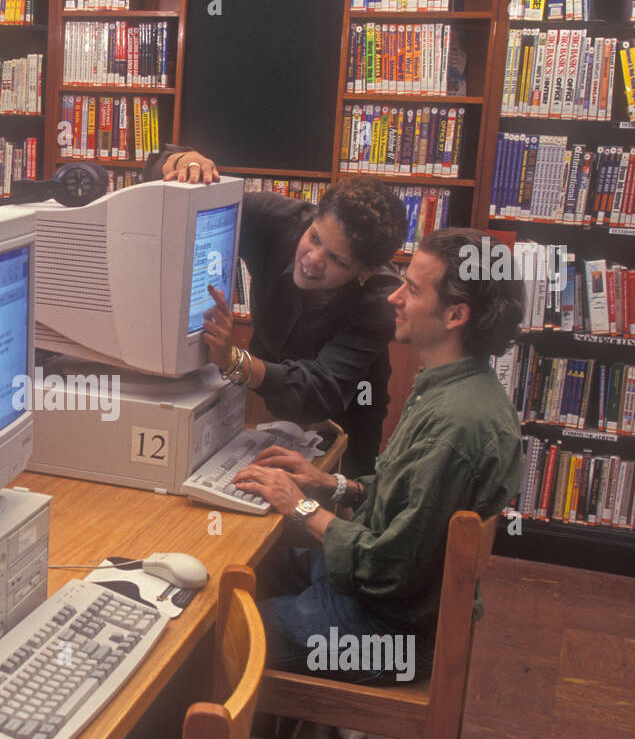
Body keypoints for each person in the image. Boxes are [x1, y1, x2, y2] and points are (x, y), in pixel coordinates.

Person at [233, 226, 525, 684]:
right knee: (237, 573)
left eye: (412, 289)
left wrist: (300, 504)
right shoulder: (454, 387)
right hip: (389, 601)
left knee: (222, 628)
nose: (394, 299)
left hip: (392, 630)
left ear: (455, 315)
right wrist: (335, 484)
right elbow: (410, 508)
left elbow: (386, 568)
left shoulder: (457, 426)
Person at [145, 148, 408, 475]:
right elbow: (166, 185)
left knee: (331, 509)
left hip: (343, 422)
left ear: (365, 270)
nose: (312, 259)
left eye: (337, 260)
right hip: (259, 399)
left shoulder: (381, 300)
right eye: (314, 237)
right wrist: (185, 165)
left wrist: (233, 361)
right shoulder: (275, 219)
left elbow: (320, 390)